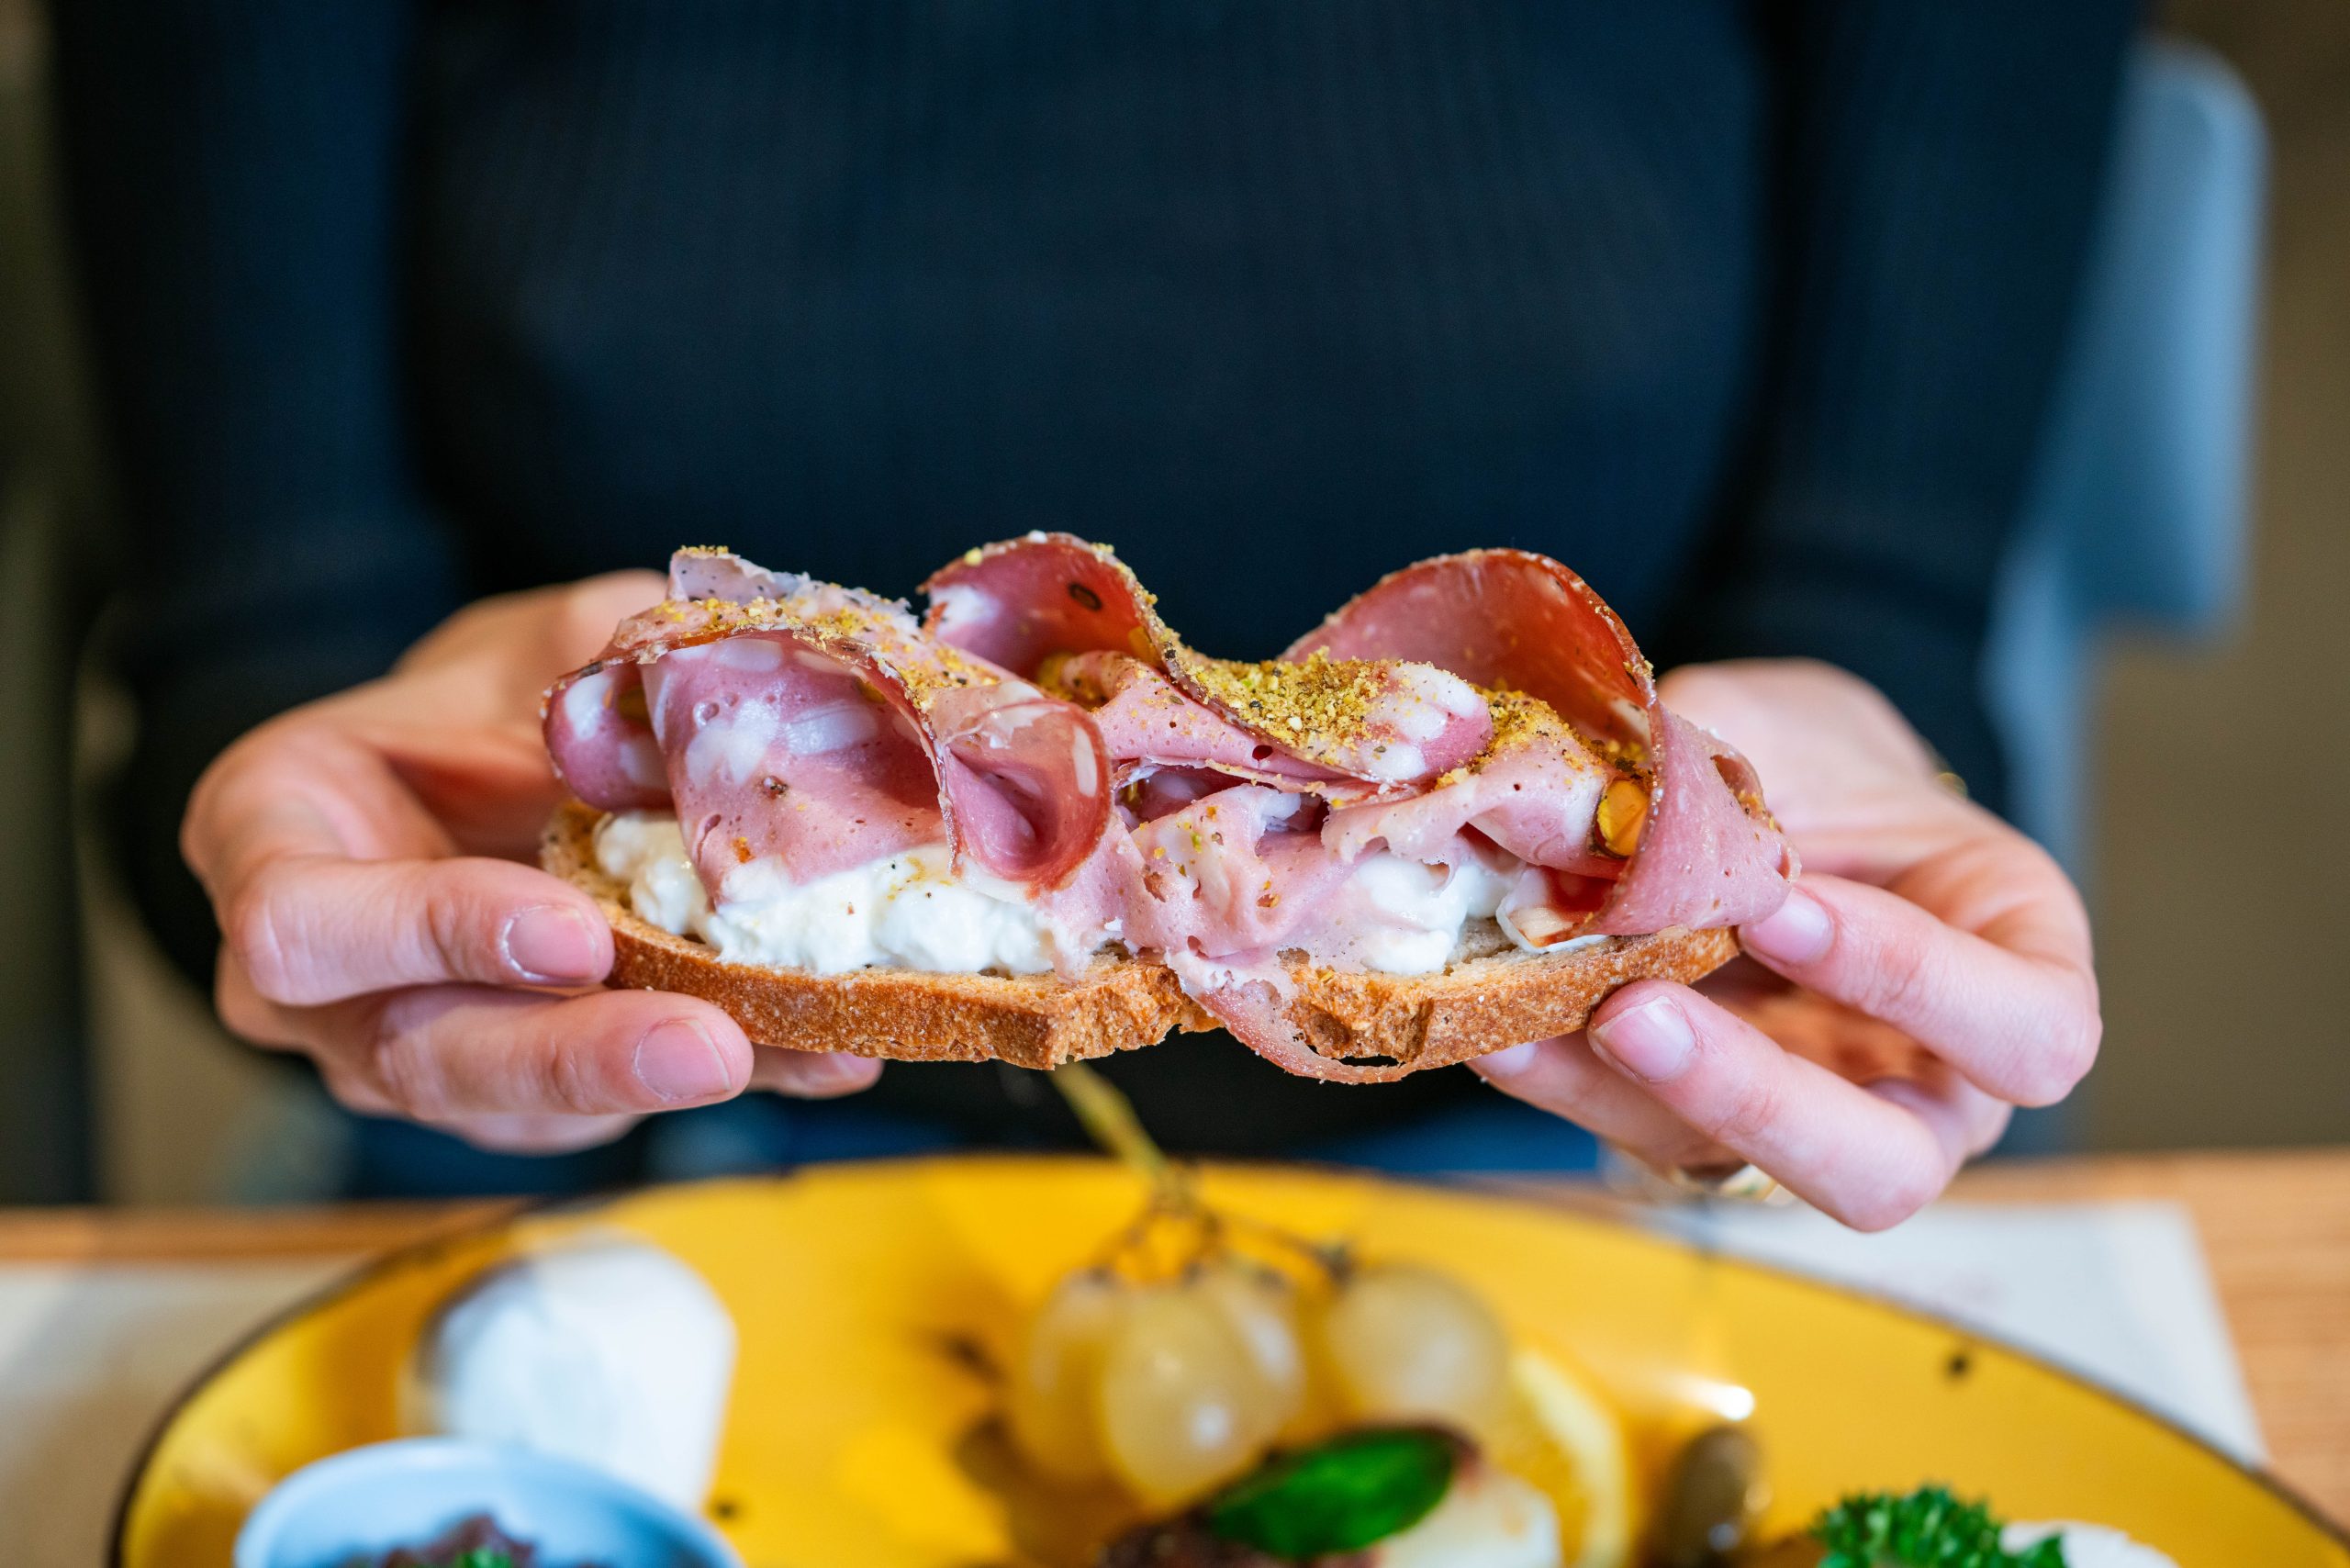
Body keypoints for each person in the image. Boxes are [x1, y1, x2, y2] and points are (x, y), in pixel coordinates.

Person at [49, 1, 2125, 1227]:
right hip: (597, 1131)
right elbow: (255, 617)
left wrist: (1833, 762)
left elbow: (1893, 571)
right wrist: (322, 818)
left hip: (1569, 1140)